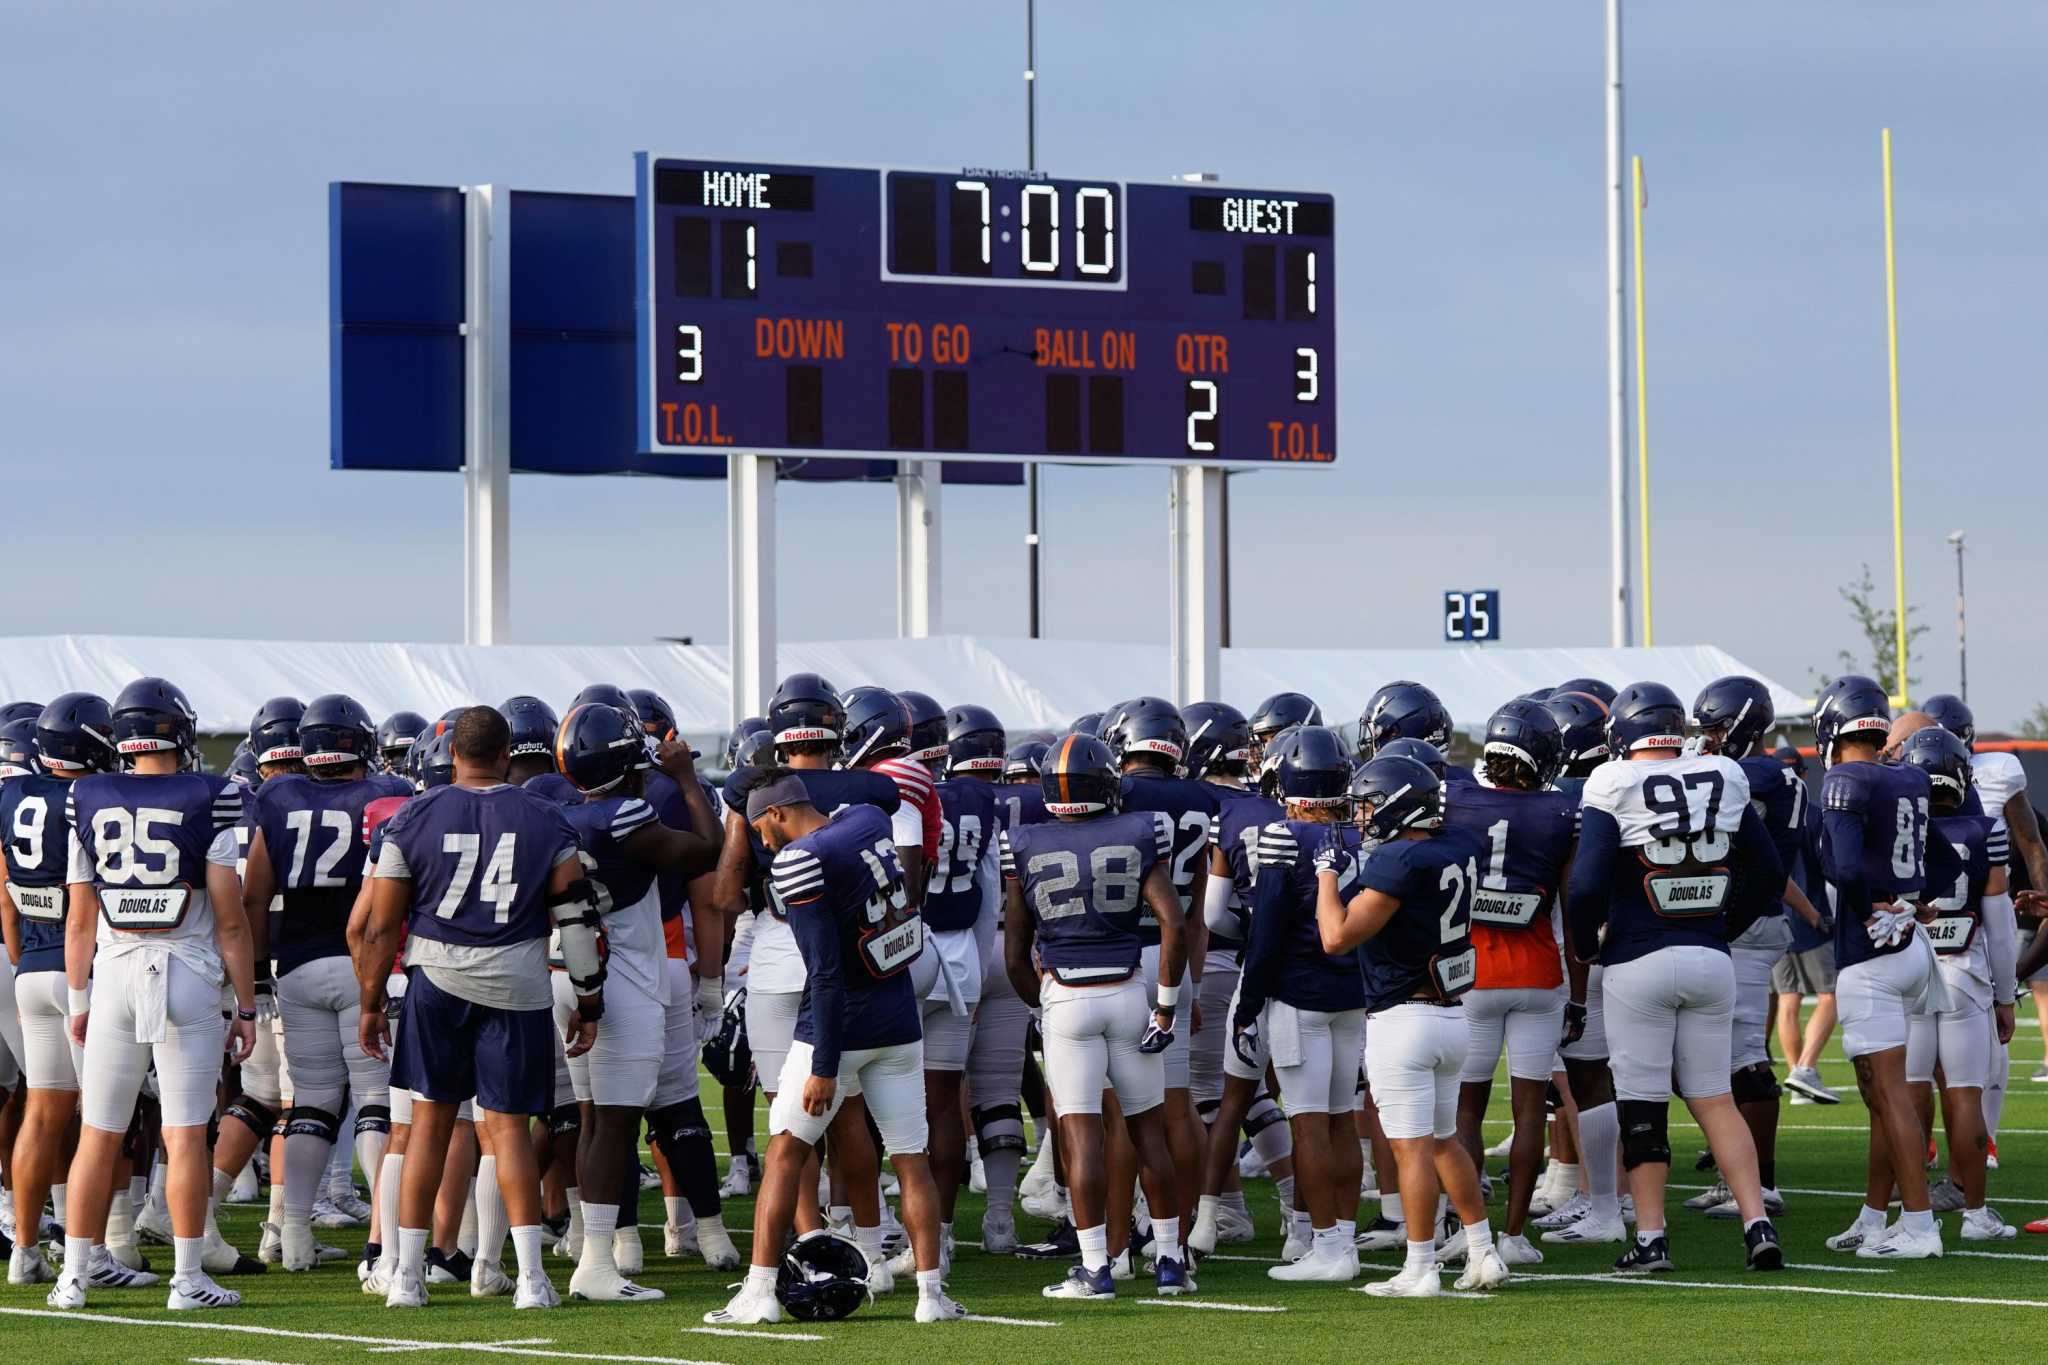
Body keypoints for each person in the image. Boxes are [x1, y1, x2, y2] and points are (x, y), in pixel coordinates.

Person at [356, 706, 601, 1310]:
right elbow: (575, 920)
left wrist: (369, 1001)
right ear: (508, 753)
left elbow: (382, 926)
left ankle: (407, 1278)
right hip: (517, 982)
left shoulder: (410, 817)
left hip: (435, 979)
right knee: (509, 1129)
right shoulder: (546, 818)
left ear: (451, 754)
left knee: (429, 1126)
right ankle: (531, 1281)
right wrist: (589, 998)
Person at [705, 769, 964, 1326]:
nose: (763, 844)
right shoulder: (868, 822)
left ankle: (759, 1293)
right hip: (898, 1022)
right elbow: (881, 790)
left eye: (760, 828)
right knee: (911, 1159)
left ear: (777, 813)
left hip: (839, 1029)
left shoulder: (799, 862)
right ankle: (930, 1295)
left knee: (783, 1153)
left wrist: (824, 1066)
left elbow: (823, 975)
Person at [49, 678, 259, 1312]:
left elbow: (78, 921)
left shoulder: (85, 796)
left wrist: (80, 1001)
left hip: (110, 973)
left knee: (99, 1133)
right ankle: (188, 1278)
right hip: (187, 974)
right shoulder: (215, 796)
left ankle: (74, 1278)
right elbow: (229, 919)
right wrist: (247, 1005)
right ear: (180, 731)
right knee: (186, 1134)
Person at [1567, 682, 1785, 1273]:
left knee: (1642, 1104)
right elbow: (1767, 872)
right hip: (1711, 958)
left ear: (1622, 734)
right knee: (1714, 1096)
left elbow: (1586, 884)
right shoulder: (1723, 773)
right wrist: (1721, 927)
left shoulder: (1610, 781)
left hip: (1638, 958)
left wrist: (1586, 945)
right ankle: (1756, 1221)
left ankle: (1652, 1239)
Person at [1002, 736, 1190, 1300]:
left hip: (1066, 995)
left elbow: (1015, 952)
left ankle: (1094, 1269)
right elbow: (1175, 925)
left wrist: (1041, 1006)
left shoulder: (1025, 841)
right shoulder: (1137, 831)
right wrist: (1166, 1005)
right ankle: (1171, 1263)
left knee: (1080, 1137)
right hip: (1129, 991)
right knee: (1148, 1133)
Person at [1315, 754, 1507, 1298]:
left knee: (1411, 1148)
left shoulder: (1399, 859)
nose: (1362, 814)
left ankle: (1419, 1267)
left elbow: (1336, 936)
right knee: (1443, 1142)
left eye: (1371, 803)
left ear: (1398, 803)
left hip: (1404, 1020)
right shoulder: (1458, 846)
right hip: (1451, 1014)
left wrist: (1327, 875)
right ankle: (1483, 1251)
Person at [550, 701, 725, 1299]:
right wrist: (683, 778)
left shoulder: (564, 814)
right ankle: (598, 1264)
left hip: (568, 966)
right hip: (619, 973)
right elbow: (707, 849)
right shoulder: (625, 814)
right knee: (615, 1123)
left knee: (595, 1118)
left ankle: (594, 1249)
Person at [236, 694, 414, 1273]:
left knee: (309, 1103)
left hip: (298, 965)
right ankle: (381, 1239)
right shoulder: (387, 796)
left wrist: (259, 974)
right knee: (374, 1100)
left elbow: (257, 896)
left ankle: (292, 1235)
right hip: (366, 963)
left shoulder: (277, 795)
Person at [2, 693, 149, 1290]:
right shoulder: (92, 796)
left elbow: (5, 895)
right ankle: (99, 1251)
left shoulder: (9, 795)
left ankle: (25, 1250)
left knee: (42, 1111)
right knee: (103, 1115)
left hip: (30, 967)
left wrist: (23, 963)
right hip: (84, 968)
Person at [1687, 677, 1829, 1221]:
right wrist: (1811, 911)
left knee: (1745, 1056)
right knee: (1721, 1057)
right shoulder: (1779, 776)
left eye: (1718, 727)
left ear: (1745, 724)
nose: (1711, 738)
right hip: (1755, 916)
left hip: (1745, 924)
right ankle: (1736, 1176)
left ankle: (1760, 1184)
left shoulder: (1753, 775)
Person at [1811, 678, 1942, 1259]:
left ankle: (1919, 1226)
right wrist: (1916, 899)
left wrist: (1869, 908)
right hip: (1909, 944)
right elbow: (1934, 853)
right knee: (1878, 1094)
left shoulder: (1845, 778)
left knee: (1887, 1094)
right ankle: (1873, 1216)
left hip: (1873, 953)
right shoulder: (1909, 775)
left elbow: (1843, 865)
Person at [1447, 699, 1577, 1266]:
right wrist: (1582, 991)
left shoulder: (1456, 801)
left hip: (1472, 972)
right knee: (1530, 1111)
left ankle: (1469, 1229)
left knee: (1466, 1113)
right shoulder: (1562, 811)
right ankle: (1515, 1235)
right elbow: (1574, 906)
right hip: (1539, 973)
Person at [1236, 726, 1367, 1283]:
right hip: (1353, 996)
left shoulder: (1282, 836)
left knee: (1310, 1126)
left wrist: (1248, 1003)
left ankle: (1328, 1245)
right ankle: (1346, 1239)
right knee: (1342, 1122)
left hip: (1300, 996)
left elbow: (1266, 931)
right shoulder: (1365, 838)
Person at [1101, 697, 1214, 1270]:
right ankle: (1182, 1242)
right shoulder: (1200, 799)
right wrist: (1185, 983)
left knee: (1124, 1111)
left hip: (1121, 956)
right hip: (1175, 959)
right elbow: (1194, 916)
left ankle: (1116, 1247)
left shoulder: (1118, 794)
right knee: (1177, 1107)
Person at [1895, 727, 2017, 1240]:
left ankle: (1910, 1211)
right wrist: (2007, 997)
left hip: (1908, 972)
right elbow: (2000, 926)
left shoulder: (1898, 829)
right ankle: (1974, 1215)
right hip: (1965, 974)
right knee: (1964, 1094)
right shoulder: (1985, 828)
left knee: (1906, 1092)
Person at [1185, 700, 1292, 1258]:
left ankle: (1226, 1210)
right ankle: (1300, 1210)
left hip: (1213, 957)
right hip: (1282, 959)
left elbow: (1208, 910)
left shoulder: (1199, 803)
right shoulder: (1261, 805)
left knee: (1213, 1094)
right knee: (1263, 1094)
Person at [1535, 688, 1626, 1246]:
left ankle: (1604, 1197)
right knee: (1604, 1079)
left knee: (1584, 1081)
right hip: (1620, 944)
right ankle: (1608, 1193)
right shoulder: (1620, 783)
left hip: (1573, 951)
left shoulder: (1567, 797)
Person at [945, 704, 1035, 1254]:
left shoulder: (947, 800)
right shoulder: (1037, 799)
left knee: (939, 1092)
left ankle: (941, 1231)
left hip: (962, 950)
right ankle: (1000, 1218)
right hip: (1020, 951)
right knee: (1001, 1090)